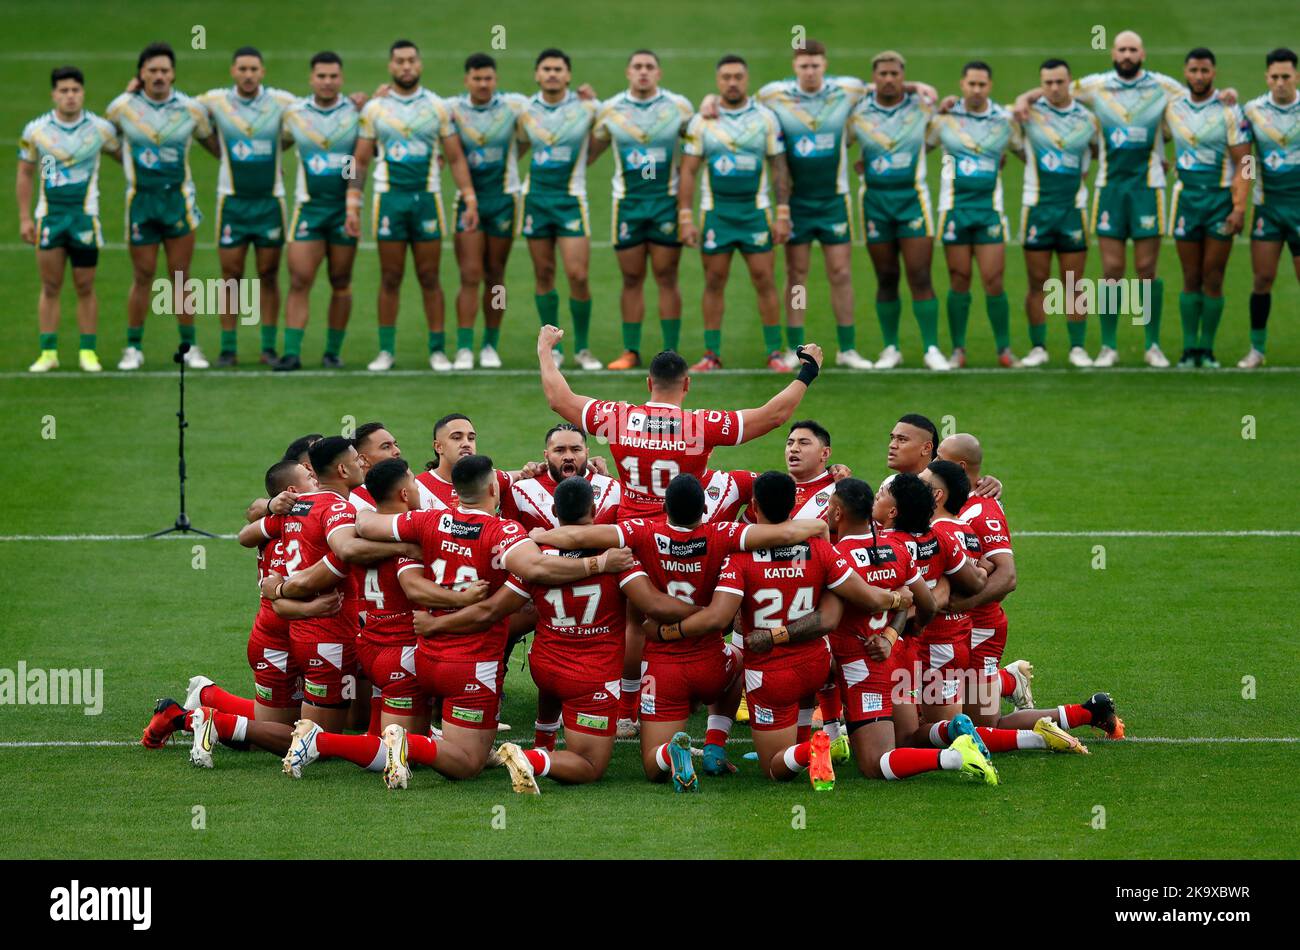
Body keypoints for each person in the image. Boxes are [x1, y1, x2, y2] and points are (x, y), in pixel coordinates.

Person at [529, 472, 836, 787]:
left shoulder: (643, 532)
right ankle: (716, 743)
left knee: (652, 767)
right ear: (705, 509)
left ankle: (668, 753)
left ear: (665, 507)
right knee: (739, 659)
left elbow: (579, 537)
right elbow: (782, 536)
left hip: (662, 671)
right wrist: (819, 526)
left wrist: (541, 535)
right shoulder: (723, 533)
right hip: (712, 663)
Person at [420, 475, 697, 792]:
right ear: (594, 509)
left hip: (546, 669)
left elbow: (493, 610)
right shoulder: (616, 557)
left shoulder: (537, 557)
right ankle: (534, 759)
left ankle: (543, 740)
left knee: (553, 677)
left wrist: (437, 624)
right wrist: (708, 613)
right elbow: (653, 604)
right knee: (590, 766)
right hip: (590, 676)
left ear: (554, 510)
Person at [648, 471, 915, 788]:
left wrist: (667, 632)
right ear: (794, 506)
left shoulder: (739, 557)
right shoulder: (820, 548)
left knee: (775, 768)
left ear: (754, 504)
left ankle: (809, 749)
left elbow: (720, 618)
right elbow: (862, 602)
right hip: (815, 663)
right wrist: (898, 598)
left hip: (771, 674)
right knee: (803, 699)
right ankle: (814, 743)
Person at [349, 40, 477, 372]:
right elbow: (359, 161)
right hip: (389, 201)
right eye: (399, 61)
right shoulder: (374, 110)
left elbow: (456, 156)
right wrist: (353, 203)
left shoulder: (437, 107)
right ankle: (386, 351)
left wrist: (469, 196)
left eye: (411, 61)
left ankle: (437, 350)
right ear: (391, 67)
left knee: (429, 276)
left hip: (427, 202)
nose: (406, 66)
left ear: (420, 65)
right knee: (390, 276)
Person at [107, 42, 218, 371]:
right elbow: (103, 138)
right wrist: (127, 162)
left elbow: (212, 144)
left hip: (178, 202)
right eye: (152, 70)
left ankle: (189, 346)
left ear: (173, 74)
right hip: (141, 202)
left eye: (164, 71)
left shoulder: (190, 109)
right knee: (142, 276)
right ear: (140, 74)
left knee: (181, 278)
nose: (159, 76)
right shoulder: (121, 108)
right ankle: (133, 348)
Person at [677, 54, 791, 371]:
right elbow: (688, 171)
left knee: (764, 279)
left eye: (738, 76)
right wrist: (685, 217)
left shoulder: (765, 118)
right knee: (714, 280)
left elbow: (778, 166)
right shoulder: (702, 121)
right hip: (717, 215)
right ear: (718, 81)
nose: (732, 82)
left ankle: (774, 353)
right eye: (726, 77)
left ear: (747, 79)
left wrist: (782, 213)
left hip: (755, 213)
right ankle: (711, 354)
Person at [588, 50, 693, 369]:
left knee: (666, 276)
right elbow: (590, 153)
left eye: (649, 67)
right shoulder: (611, 110)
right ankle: (630, 351)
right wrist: (588, 108)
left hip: (665, 203)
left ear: (659, 73)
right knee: (631, 278)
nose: (643, 72)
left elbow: (698, 144)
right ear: (627, 72)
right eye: (637, 67)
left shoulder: (679, 107)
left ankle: (670, 354)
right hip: (628, 206)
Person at [197, 47, 298, 366]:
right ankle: (228, 347)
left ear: (263, 72)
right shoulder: (215, 102)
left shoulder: (281, 102)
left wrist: (276, 153)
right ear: (233, 72)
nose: (248, 74)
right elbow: (180, 109)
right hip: (232, 202)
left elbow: (310, 117)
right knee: (231, 276)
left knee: (268, 274)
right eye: (242, 69)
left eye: (254, 69)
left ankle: (268, 347)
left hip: (270, 202)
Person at [18, 65, 121, 374]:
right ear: (54, 94)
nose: (70, 96)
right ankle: (48, 352)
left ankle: (87, 351)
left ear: (83, 93)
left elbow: (123, 154)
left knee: (85, 285)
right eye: (64, 91)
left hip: (84, 218)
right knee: (50, 285)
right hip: (50, 218)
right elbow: (25, 173)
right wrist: (24, 218)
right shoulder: (36, 131)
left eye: (75, 90)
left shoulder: (101, 130)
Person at [849, 50, 948, 370]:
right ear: (873, 78)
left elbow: (939, 133)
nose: (889, 79)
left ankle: (932, 347)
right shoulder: (857, 112)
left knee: (920, 274)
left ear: (903, 77)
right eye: (883, 74)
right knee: (887, 276)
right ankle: (891, 347)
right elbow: (840, 144)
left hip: (912, 201)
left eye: (895, 74)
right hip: (875, 203)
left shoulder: (922, 106)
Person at [929, 61, 1023, 368]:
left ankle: (1004, 349)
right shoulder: (945, 119)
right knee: (959, 279)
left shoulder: (1004, 120)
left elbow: (1026, 152)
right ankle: (958, 349)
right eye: (971, 84)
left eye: (982, 84)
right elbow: (918, 147)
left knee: (993, 280)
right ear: (962, 84)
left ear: (990, 86)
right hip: (954, 210)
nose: (976, 90)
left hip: (989, 211)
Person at [1165, 48, 1252, 369]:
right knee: (1190, 277)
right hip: (1187, 199)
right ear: (1185, 73)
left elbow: (1246, 161)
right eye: (1193, 70)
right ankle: (1189, 351)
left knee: (1213, 276)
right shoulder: (1172, 107)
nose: (1199, 76)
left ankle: (1207, 349)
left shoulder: (1230, 111)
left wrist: (1240, 206)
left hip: (1219, 202)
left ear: (1214, 73)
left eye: (1204, 71)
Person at [517, 48, 602, 370]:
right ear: (537, 75)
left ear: (568, 75)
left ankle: (582, 347)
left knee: (578, 275)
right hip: (535, 200)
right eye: (546, 69)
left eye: (558, 69)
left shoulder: (588, 107)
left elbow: (612, 127)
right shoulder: (523, 109)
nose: (552, 74)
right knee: (544, 273)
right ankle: (551, 347)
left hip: (570, 200)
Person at [277, 52, 362, 371]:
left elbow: (362, 157)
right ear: (311, 78)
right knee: (299, 279)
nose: (327, 82)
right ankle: (291, 353)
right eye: (321, 76)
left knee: (341, 280)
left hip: (343, 211)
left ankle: (332, 353)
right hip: (308, 210)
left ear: (341, 79)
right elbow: (272, 141)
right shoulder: (294, 114)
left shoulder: (357, 113)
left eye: (333, 76)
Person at [1016, 58, 1100, 368]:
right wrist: (1025, 98)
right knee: (1037, 282)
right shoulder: (1028, 115)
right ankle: (1038, 347)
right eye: (1047, 82)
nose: (1053, 88)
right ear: (1040, 84)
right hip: (1037, 207)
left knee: (1073, 283)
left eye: (1059, 82)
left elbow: (1097, 150)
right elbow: (1011, 141)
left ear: (1070, 82)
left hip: (1072, 209)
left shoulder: (1088, 119)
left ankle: (1077, 347)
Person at [447, 53, 528, 369]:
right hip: (469, 203)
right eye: (477, 78)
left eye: (488, 78)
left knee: (496, 274)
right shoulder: (452, 109)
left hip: (504, 199)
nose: (483, 84)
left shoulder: (513, 107)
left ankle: (490, 345)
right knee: (470, 274)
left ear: (496, 80)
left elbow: (549, 115)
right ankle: (465, 346)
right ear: (467, 80)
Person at [1239, 48, 1300, 369]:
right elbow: (1245, 157)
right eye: (1274, 77)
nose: (1280, 83)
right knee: (1262, 278)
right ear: (1266, 77)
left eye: (1285, 77)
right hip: (1268, 208)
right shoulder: (1252, 111)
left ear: (1297, 77)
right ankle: (1256, 349)